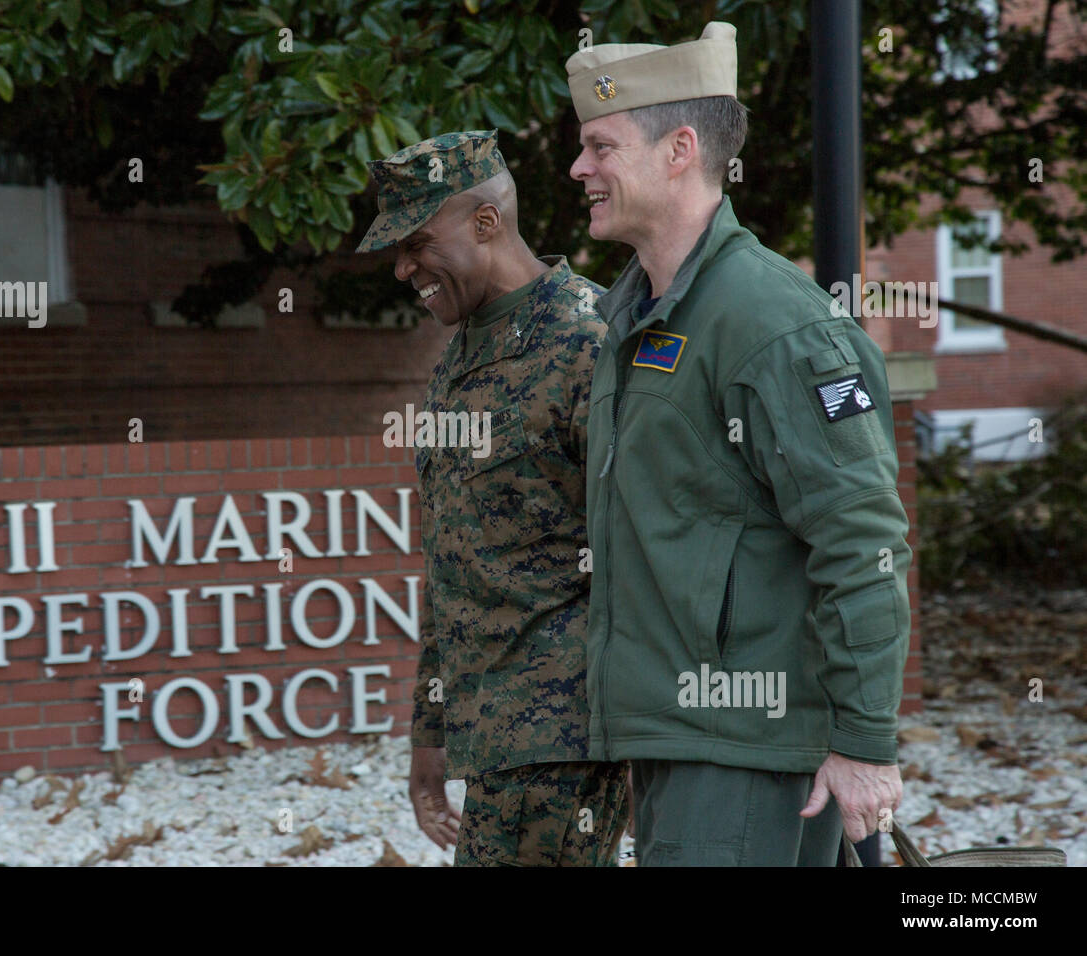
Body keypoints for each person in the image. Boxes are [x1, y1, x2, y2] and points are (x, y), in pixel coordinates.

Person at [563, 22, 911, 866]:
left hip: (748, 752)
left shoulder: (772, 324)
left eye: (601, 147)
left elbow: (861, 538)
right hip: (687, 739)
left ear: (680, 149)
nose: (579, 169)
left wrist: (865, 742)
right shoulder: (637, 312)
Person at [355, 129, 628, 866]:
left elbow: (648, 549)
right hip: (493, 732)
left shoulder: (592, 343)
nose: (404, 268)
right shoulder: (462, 355)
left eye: (416, 242)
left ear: (485, 223)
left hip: (565, 736)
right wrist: (430, 731)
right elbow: (453, 561)